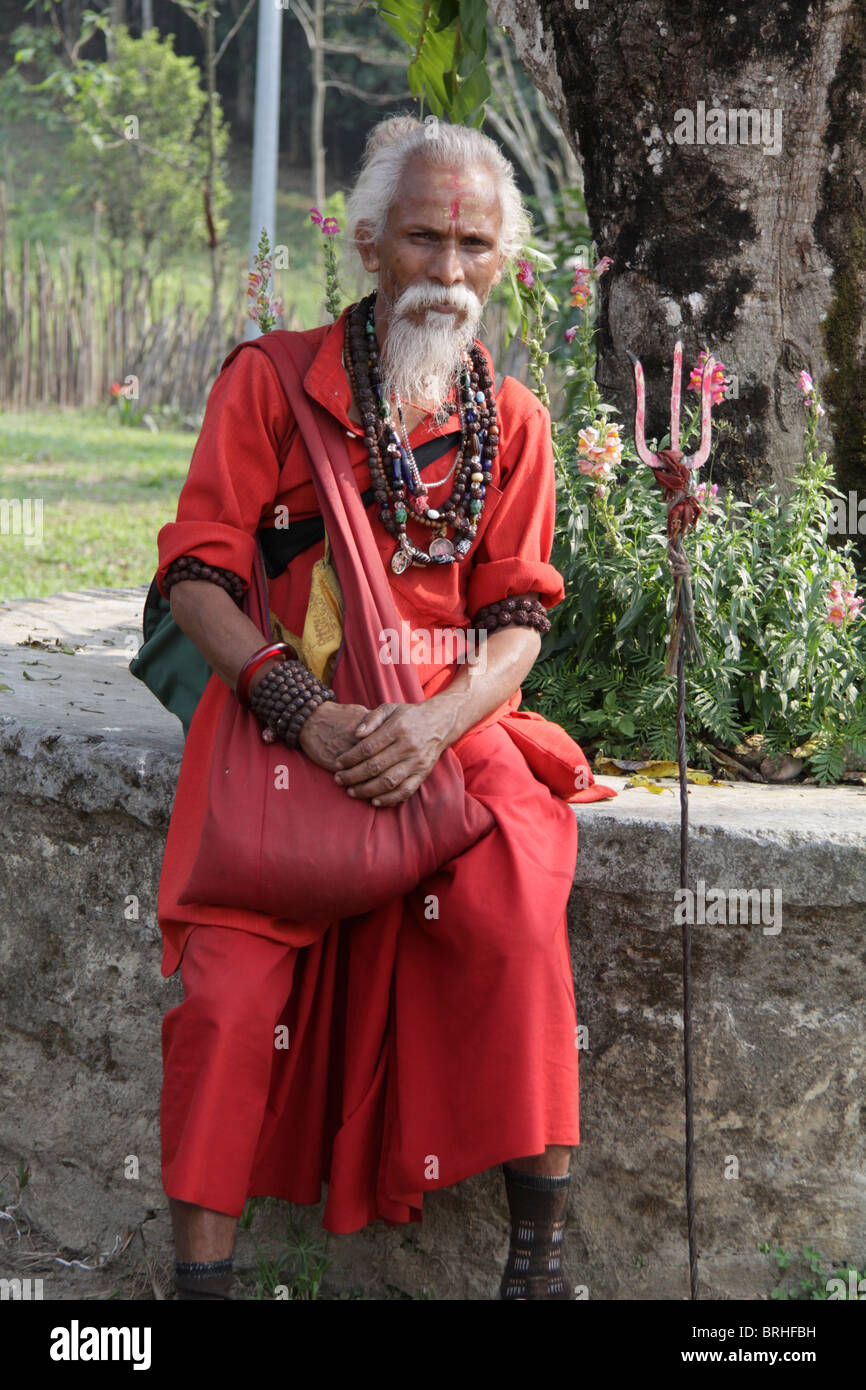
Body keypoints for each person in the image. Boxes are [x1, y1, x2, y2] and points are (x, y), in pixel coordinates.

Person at [154, 114, 613, 1303]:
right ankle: (201, 1286)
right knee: (225, 993)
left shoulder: (512, 420)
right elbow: (195, 578)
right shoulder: (269, 383)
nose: (447, 272)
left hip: (447, 732)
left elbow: (521, 618)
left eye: (471, 244)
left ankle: (537, 1269)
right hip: (288, 724)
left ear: (501, 261)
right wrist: (304, 713)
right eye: (422, 238)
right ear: (368, 244)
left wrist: (435, 721)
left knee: (520, 916)